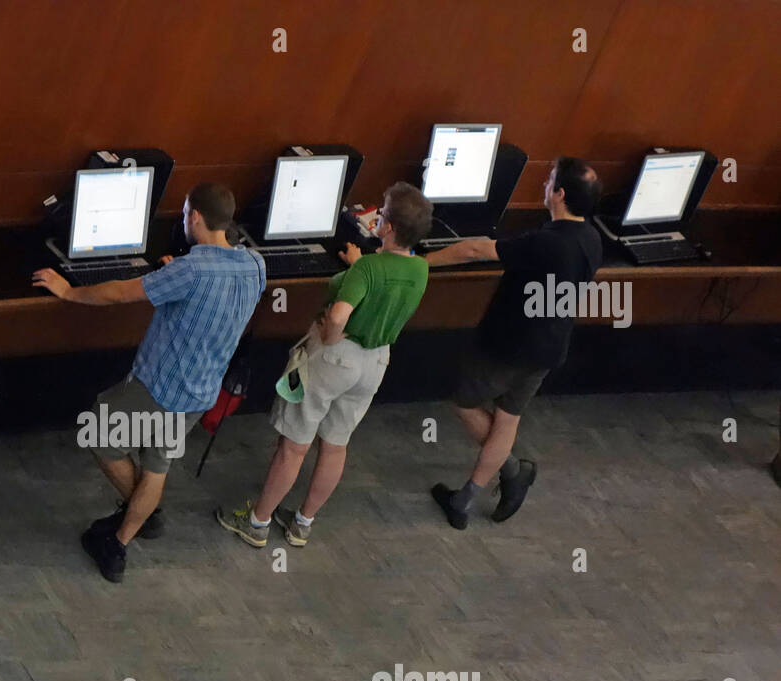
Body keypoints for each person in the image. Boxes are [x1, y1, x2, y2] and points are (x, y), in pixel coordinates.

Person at [32, 182, 265, 582]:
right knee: (157, 466)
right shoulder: (255, 264)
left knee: (99, 436)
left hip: (158, 387)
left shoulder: (190, 270)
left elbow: (120, 294)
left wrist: (68, 290)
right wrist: (175, 274)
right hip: (202, 389)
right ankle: (124, 536)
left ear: (195, 218)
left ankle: (138, 518)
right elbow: (218, 294)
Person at [216, 182, 433, 548]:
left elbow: (339, 316)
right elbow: (387, 277)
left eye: (382, 211)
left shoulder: (367, 272)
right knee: (335, 444)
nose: (376, 215)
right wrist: (360, 264)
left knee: (295, 444)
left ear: (390, 227)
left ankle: (257, 522)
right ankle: (302, 523)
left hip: (335, 359)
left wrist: (331, 333)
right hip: (375, 362)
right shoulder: (419, 269)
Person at [424, 157, 603, 528]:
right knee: (507, 422)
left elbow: (475, 250)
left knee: (464, 402)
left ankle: (509, 470)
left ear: (560, 194)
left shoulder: (547, 242)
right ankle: (468, 497)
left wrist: (419, 261)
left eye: (549, 179)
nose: (544, 184)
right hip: (549, 348)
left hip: (508, 346)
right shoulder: (591, 237)